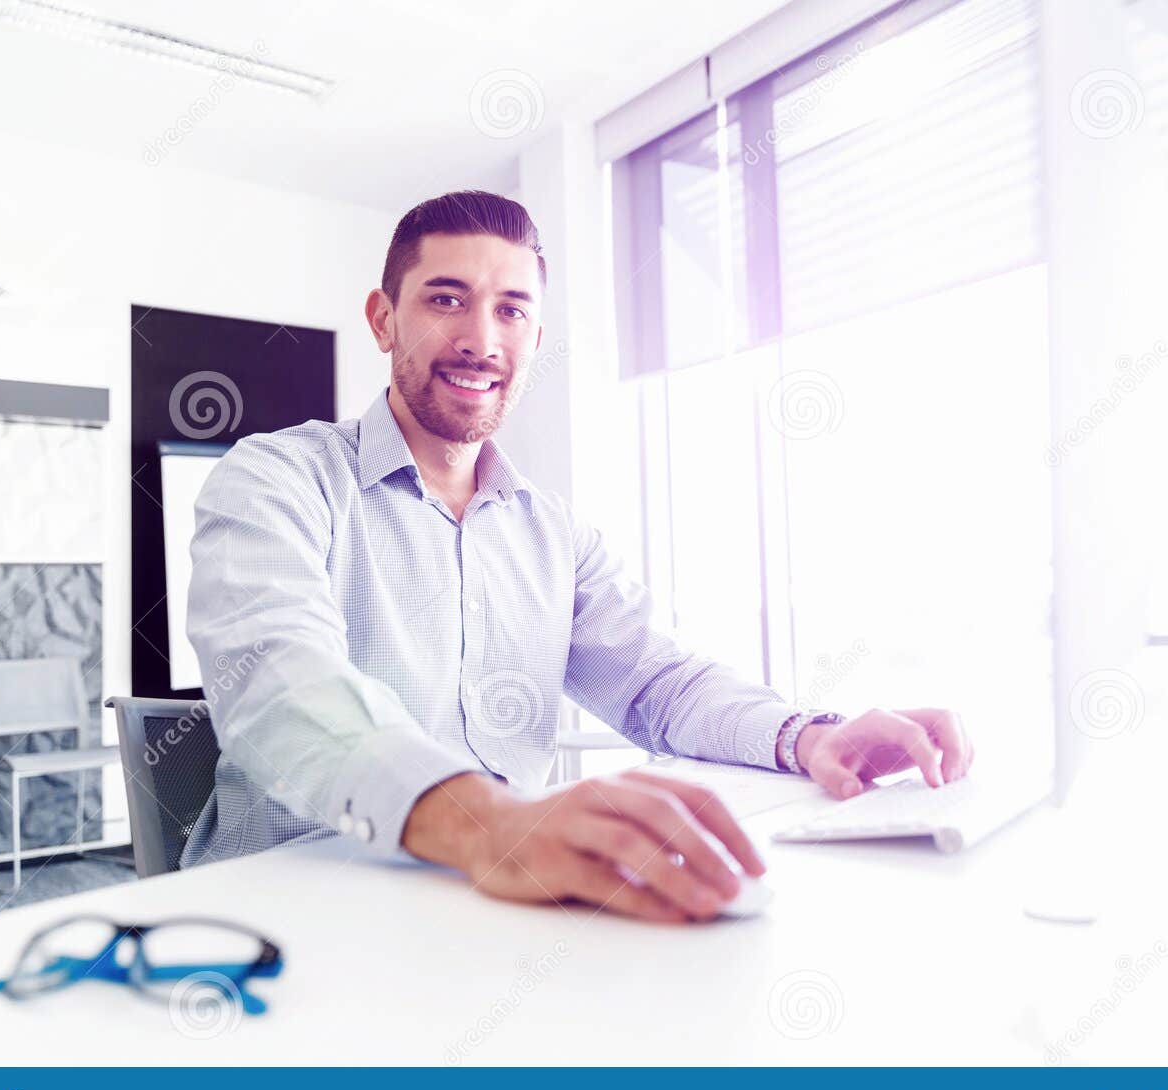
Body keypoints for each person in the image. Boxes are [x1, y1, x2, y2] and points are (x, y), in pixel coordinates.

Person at [183, 190, 974, 923]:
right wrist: (485, 820)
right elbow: (280, 680)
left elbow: (661, 685)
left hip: (487, 909)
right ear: (384, 319)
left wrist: (809, 737)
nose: (480, 339)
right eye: (446, 299)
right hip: (286, 913)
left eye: (512, 309)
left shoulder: (553, 533)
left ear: (533, 336)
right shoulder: (278, 478)